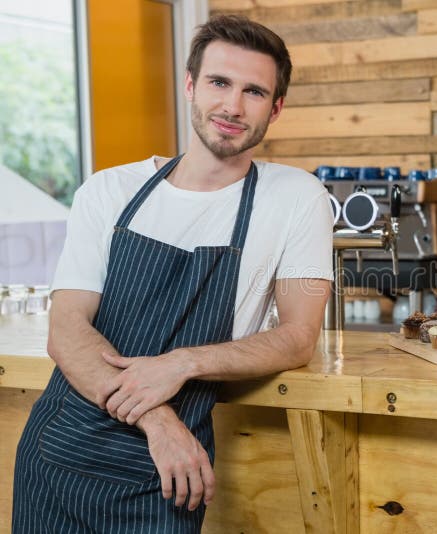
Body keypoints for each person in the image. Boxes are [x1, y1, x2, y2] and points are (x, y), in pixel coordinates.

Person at [12, 15, 332, 533]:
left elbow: (298, 338)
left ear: (276, 108)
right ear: (190, 85)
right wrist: (157, 419)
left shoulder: (296, 198)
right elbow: (67, 329)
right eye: (219, 83)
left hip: (165, 481)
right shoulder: (109, 191)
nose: (232, 106)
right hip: (60, 454)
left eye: (254, 91)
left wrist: (181, 363)